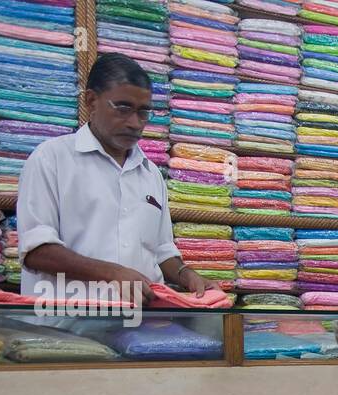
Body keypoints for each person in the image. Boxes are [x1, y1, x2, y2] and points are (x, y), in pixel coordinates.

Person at [18, 54, 218, 304]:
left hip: (138, 326)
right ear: (91, 101)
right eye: (123, 109)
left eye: (143, 112)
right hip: (66, 323)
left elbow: (161, 250)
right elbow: (36, 251)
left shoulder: (150, 173)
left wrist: (186, 275)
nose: (135, 123)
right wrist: (112, 273)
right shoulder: (51, 159)